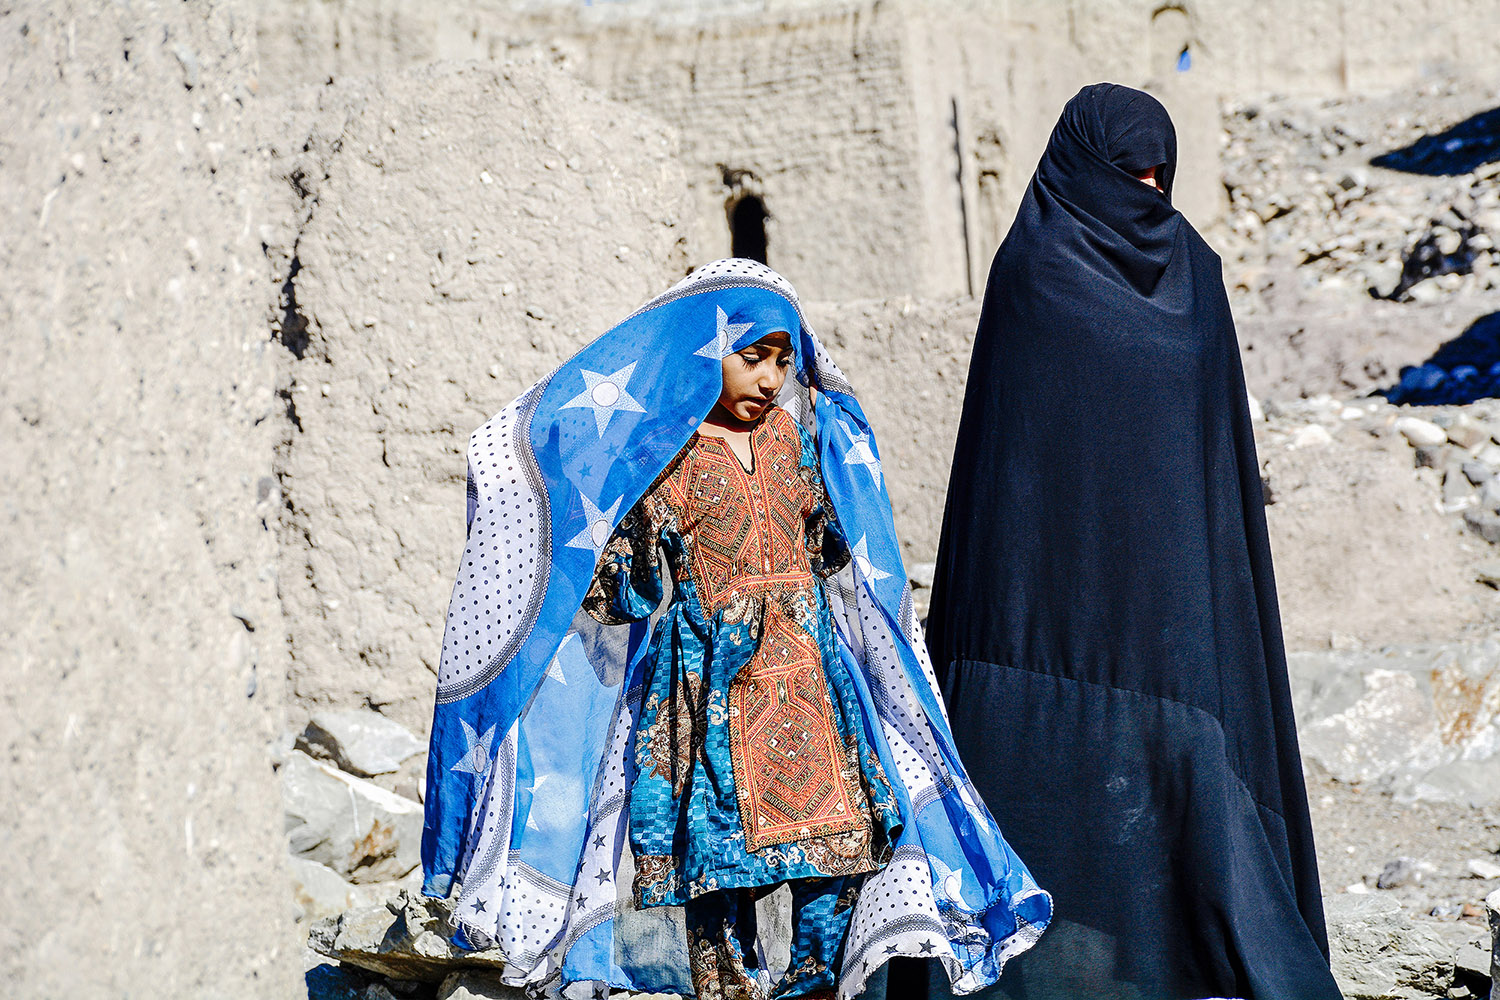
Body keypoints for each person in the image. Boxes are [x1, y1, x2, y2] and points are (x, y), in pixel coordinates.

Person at [421, 259, 1051, 999]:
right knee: (719, 864)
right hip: (705, 686)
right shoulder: (668, 455)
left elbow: (830, 544)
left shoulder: (795, 442)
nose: (770, 378)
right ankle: (730, 988)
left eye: (784, 361)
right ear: (700, 352)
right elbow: (628, 585)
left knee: (840, 845)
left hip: (809, 679)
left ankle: (816, 984)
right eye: (751, 357)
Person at [924, 84, 1342, 1000]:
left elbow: (1210, 450)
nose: (1147, 189)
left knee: (1176, 786)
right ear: (1083, 166)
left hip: (1170, 594)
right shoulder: (1033, 270)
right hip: (1041, 607)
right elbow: (1008, 463)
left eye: (1160, 171)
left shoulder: (1193, 271)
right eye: (1128, 171)